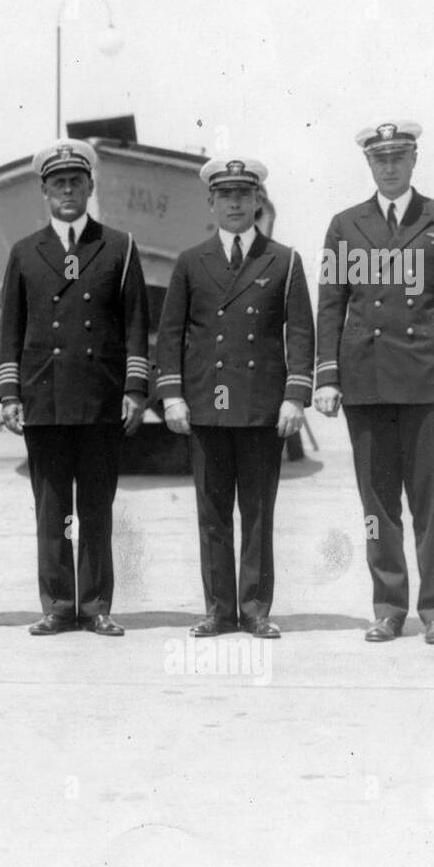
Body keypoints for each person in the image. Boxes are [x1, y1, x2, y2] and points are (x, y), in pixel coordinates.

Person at [314, 121, 434, 645]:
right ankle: (389, 608)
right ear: (369, 164)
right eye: (380, 159)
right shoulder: (345, 226)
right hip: (366, 383)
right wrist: (327, 376)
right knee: (378, 504)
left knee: (433, 500)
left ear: (414, 160)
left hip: (431, 381)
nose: (389, 167)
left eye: (398, 157)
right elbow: (330, 303)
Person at [156, 157, 315, 639]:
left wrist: (295, 396)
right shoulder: (190, 261)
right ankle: (218, 610)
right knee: (212, 514)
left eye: (243, 195)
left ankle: (255, 608)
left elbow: (301, 333)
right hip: (206, 407)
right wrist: (171, 397)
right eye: (225, 195)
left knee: (259, 514)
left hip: (262, 410)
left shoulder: (284, 260)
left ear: (256, 202)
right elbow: (171, 335)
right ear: (210, 202)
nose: (234, 203)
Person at [0, 139, 149, 637]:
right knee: (51, 509)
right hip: (45, 398)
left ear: (90, 186)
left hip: (100, 398)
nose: (67, 190)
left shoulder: (120, 247)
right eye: (58, 183)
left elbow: (134, 326)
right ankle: (59, 604)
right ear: (44, 190)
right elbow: (12, 331)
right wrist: (10, 394)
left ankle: (97, 605)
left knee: (97, 509)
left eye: (76, 181)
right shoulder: (24, 252)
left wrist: (134, 389)